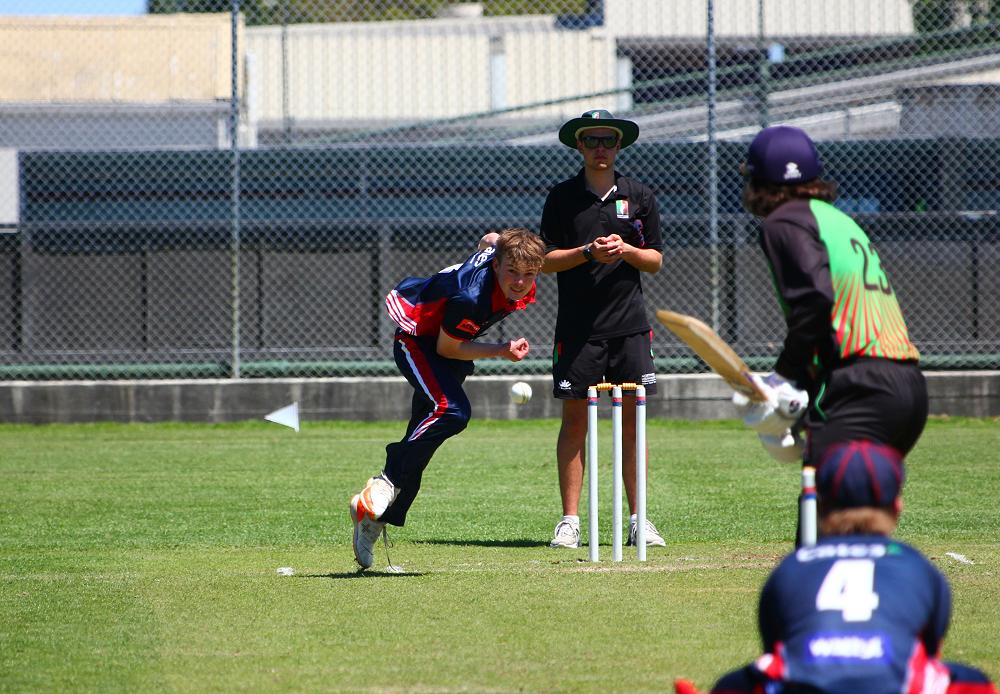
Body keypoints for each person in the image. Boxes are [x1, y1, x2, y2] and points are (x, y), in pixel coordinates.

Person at [673, 442, 998, 694]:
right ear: (896, 506)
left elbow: (776, 646)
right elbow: (930, 651)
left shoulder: (793, 567)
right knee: (971, 681)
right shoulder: (917, 565)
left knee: (739, 682)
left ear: (820, 505)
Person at [732, 125, 928, 541]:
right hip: (907, 386)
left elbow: (816, 303)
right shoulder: (838, 219)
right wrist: (799, 392)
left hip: (861, 385)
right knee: (865, 519)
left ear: (756, 181)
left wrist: (780, 377)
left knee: (828, 523)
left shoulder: (783, 222)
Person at [349, 227, 546, 570]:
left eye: (529, 274)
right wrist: (501, 349)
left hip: (447, 344)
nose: (519, 281)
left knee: (421, 446)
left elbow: (489, 238)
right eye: (512, 272)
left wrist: (495, 241)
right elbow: (447, 348)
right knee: (453, 411)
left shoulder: (507, 261)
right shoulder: (472, 298)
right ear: (497, 266)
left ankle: (374, 521)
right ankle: (385, 480)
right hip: (417, 341)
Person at [539, 109, 666, 550]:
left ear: (618, 147)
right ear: (579, 145)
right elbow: (544, 260)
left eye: (607, 141)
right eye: (591, 140)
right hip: (577, 329)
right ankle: (570, 521)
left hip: (630, 327)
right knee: (576, 422)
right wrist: (588, 252)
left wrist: (626, 248)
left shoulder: (640, 194)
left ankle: (639, 519)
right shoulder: (561, 197)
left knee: (633, 422)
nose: (599, 148)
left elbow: (655, 261)